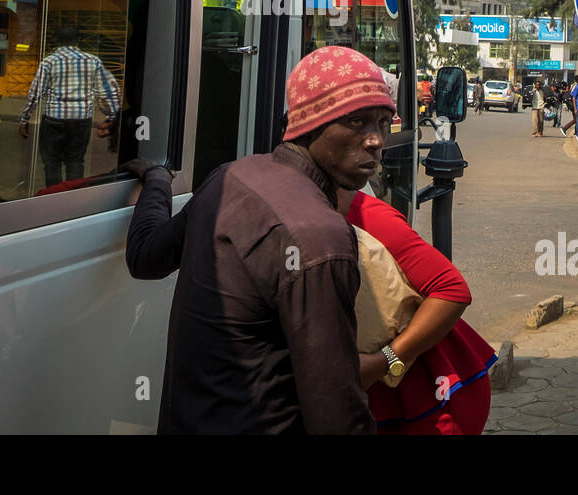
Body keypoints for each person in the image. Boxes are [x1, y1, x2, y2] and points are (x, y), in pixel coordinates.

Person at [125, 45, 387, 433]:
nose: (376, 140)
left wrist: (157, 180)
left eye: (384, 122)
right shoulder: (320, 239)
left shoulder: (229, 177)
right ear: (310, 123)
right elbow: (336, 412)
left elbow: (145, 256)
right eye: (357, 122)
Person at [339, 187, 497, 434]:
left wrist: (385, 361)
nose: (374, 145)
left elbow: (451, 291)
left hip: (431, 401)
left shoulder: (366, 215)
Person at [18, 27, 120, 186]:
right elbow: (106, 91)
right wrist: (112, 117)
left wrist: (25, 118)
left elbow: (35, 93)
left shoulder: (49, 62)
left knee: (52, 163)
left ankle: (53, 198)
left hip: (53, 119)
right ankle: (73, 197)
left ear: (57, 41)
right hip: (81, 119)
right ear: (78, 41)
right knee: (76, 161)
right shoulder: (93, 61)